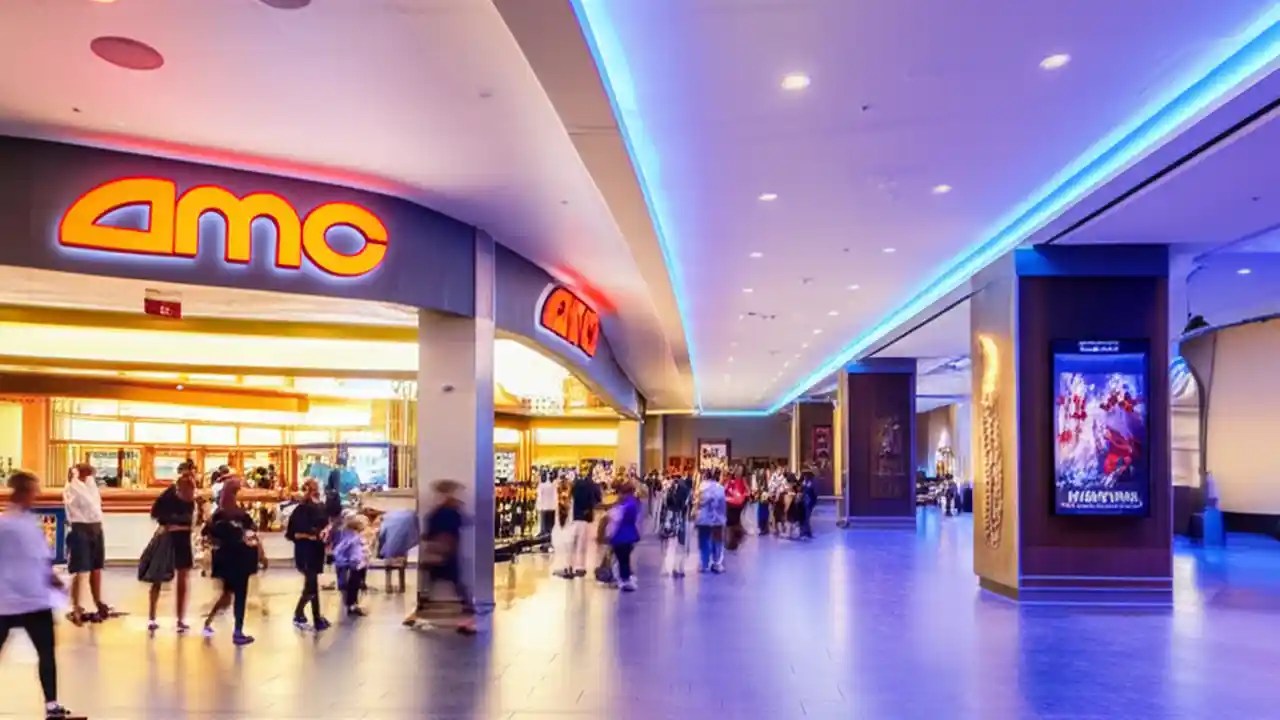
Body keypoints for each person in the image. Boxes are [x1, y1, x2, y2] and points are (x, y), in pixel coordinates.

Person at [0, 471, 83, 719]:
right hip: (32, 600)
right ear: (24, 492)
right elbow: (42, 563)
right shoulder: (22, 525)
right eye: (34, 491)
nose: (37, 496)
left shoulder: (7, 522)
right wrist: (61, 588)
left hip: (6, 600)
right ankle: (51, 704)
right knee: (46, 652)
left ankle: (52, 703)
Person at [406, 480, 476, 634]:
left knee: (433, 582)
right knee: (453, 583)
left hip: (440, 551)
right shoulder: (452, 510)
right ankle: (468, 615)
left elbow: (431, 530)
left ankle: (418, 612)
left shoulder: (441, 511)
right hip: (447, 551)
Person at [201, 477, 260, 645]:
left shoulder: (218, 514)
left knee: (227, 595)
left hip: (224, 558)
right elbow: (252, 532)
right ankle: (238, 631)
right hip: (240, 556)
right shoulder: (240, 514)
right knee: (239, 594)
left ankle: (209, 622)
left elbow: (206, 534)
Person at [142, 471, 196, 633]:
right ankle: (152, 617)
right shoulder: (169, 497)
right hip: (168, 540)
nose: (190, 494)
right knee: (158, 577)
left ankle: (180, 618)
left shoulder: (191, 501)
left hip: (182, 539)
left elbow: (191, 522)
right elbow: (156, 514)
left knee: (182, 579)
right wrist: (170, 525)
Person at [62, 463, 109, 625]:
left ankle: (98, 601)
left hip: (96, 528)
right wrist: (74, 474)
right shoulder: (71, 487)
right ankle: (75, 606)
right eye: (87, 471)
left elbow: (96, 506)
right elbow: (85, 502)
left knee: (96, 568)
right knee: (79, 570)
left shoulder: (91, 484)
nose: (91, 474)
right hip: (80, 528)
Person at [285, 479, 331, 632]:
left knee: (311, 584)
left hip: (316, 549)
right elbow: (293, 533)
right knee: (311, 584)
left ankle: (307, 614)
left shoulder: (320, 507)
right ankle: (312, 616)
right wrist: (308, 535)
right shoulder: (302, 510)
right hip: (306, 550)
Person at [561, 471, 602, 579]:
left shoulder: (575, 485)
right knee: (581, 544)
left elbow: (568, 500)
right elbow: (598, 500)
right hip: (585, 518)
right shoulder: (592, 485)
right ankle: (580, 567)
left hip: (574, 518)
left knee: (570, 544)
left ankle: (569, 566)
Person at [607, 481, 642, 591]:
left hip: (620, 536)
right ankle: (625, 578)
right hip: (630, 535)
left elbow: (615, 519)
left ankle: (622, 579)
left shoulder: (624, 505)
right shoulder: (634, 504)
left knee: (621, 559)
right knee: (625, 559)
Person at [333, 513, 369, 617]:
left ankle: (351, 604)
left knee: (348, 584)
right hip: (353, 564)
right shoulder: (354, 537)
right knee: (353, 584)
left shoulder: (344, 534)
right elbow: (354, 552)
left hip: (346, 563)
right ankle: (352, 605)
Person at [375, 508, 419, 593]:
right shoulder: (406, 521)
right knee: (401, 568)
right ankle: (402, 587)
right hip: (402, 548)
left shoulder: (386, 521)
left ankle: (388, 587)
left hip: (389, 550)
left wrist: (380, 548)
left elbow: (382, 535)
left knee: (388, 569)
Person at [694, 471, 727, 573]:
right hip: (717, 518)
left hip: (703, 518)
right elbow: (723, 506)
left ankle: (704, 565)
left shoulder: (701, 488)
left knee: (703, 541)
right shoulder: (720, 488)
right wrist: (723, 518)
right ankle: (717, 563)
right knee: (717, 541)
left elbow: (697, 503)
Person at [723, 469, 750, 551]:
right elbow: (748, 493)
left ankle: (732, 541)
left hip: (734, 506)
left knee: (731, 523)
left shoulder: (738, 483)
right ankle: (732, 540)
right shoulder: (734, 482)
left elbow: (748, 493)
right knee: (732, 523)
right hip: (734, 506)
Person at [535, 476, 558, 545]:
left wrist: (538, 506)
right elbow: (555, 496)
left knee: (544, 524)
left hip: (544, 507)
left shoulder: (541, 486)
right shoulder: (554, 486)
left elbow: (539, 497)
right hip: (552, 507)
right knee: (551, 524)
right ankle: (551, 536)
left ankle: (544, 537)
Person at [799, 471, 818, 539]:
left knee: (806, 518)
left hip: (808, 503)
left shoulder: (811, 483)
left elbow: (814, 494)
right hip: (804, 503)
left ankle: (806, 533)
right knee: (804, 518)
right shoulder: (804, 483)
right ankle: (804, 533)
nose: (805, 477)